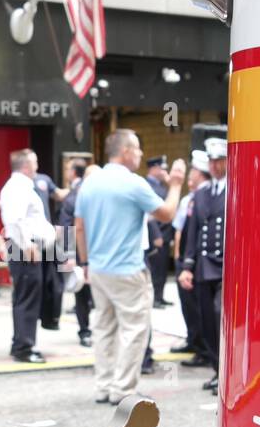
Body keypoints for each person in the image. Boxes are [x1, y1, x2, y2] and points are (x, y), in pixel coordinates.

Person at [74, 129, 185, 405]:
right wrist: (176, 184)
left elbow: (79, 227)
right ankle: (122, 389)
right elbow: (167, 214)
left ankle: (104, 385)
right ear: (125, 151)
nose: (140, 154)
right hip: (127, 268)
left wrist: (85, 261)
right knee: (134, 329)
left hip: (97, 268)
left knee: (104, 327)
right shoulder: (133, 183)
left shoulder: (89, 183)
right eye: (136, 149)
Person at [178, 138, 228, 393]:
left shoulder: (235, 189)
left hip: (224, 267)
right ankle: (217, 369)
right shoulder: (201, 193)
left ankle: (226, 373)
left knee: (220, 317)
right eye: (212, 161)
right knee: (206, 321)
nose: (216, 166)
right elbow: (193, 233)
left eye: (220, 160)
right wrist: (188, 265)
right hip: (203, 266)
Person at [0, 150, 56, 363]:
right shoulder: (18, 187)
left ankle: (20, 342)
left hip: (25, 246)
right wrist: (27, 245)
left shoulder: (20, 186)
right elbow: (16, 220)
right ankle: (24, 346)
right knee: (28, 298)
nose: (37, 166)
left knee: (24, 296)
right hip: (25, 248)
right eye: (35, 162)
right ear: (25, 166)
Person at [175, 152, 211, 362]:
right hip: (187, 260)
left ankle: (204, 349)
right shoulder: (190, 199)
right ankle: (194, 341)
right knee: (188, 305)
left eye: (194, 171)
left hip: (200, 263)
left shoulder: (205, 197)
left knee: (200, 307)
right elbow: (182, 230)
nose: (191, 174)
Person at [57, 158, 92, 347]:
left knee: (83, 296)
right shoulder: (74, 195)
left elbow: (66, 228)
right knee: (84, 296)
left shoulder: (74, 196)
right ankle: (86, 330)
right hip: (90, 251)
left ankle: (85, 331)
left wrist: (69, 254)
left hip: (82, 251)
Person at [144, 155, 174, 308]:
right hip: (156, 234)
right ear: (153, 168)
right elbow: (150, 213)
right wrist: (156, 234)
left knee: (163, 267)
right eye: (161, 168)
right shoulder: (147, 185)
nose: (164, 171)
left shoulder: (162, 185)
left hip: (165, 233)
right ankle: (155, 297)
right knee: (156, 267)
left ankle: (160, 296)